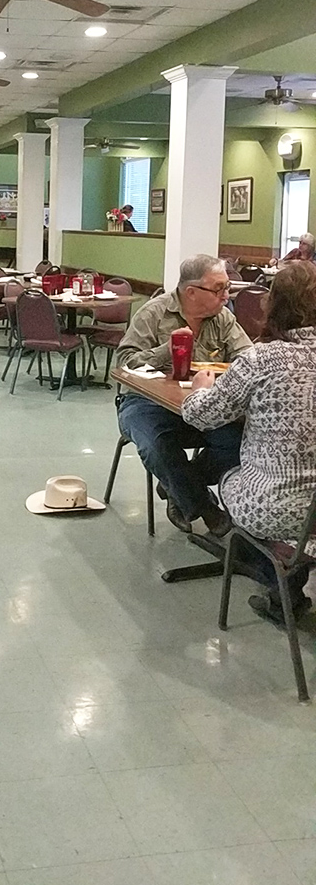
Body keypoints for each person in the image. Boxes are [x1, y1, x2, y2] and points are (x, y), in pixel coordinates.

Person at [182, 262, 316, 625]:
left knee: (231, 464)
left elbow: (202, 417)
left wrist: (199, 391)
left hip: (274, 507)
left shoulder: (262, 359)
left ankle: (277, 586)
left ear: (274, 304)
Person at [116, 254, 252, 535]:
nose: (226, 296)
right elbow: (124, 363)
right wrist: (169, 348)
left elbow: (247, 358)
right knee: (156, 444)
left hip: (204, 404)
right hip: (146, 401)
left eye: (228, 288)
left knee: (240, 442)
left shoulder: (223, 318)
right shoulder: (155, 313)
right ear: (191, 292)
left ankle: (175, 486)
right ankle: (205, 507)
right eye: (219, 289)